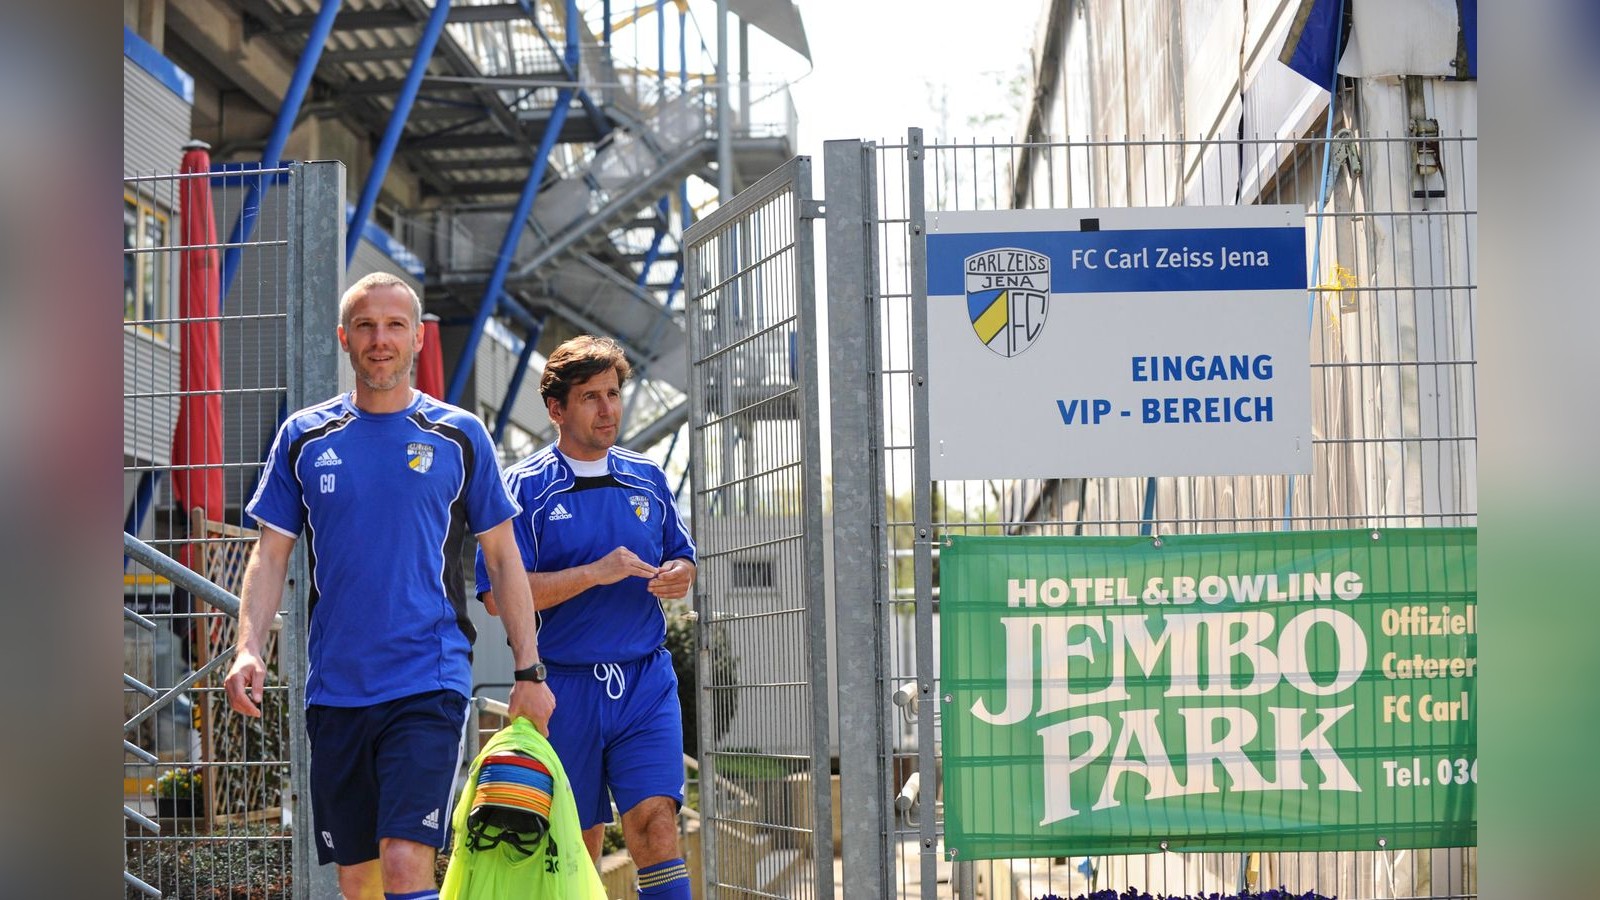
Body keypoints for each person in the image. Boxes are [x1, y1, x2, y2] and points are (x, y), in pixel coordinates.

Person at [224, 272, 555, 900]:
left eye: (395, 325)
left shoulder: (459, 435)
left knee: (405, 858)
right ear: (345, 338)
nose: (381, 340)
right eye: (368, 327)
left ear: (417, 337)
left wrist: (529, 671)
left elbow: (505, 560)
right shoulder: (303, 437)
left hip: (427, 679)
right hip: (336, 687)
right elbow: (269, 558)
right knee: (358, 880)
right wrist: (249, 647)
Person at [476, 335, 697, 900]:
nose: (608, 409)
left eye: (615, 394)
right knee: (577, 846)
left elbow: (683, 556)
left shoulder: (648, 477)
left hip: (645, 682)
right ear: (556, 409)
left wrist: (678, 573)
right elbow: (500, 595)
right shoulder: (522, 488)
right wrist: (594, 573)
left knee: (656, 826)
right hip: (563, 690)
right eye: (592, 397)